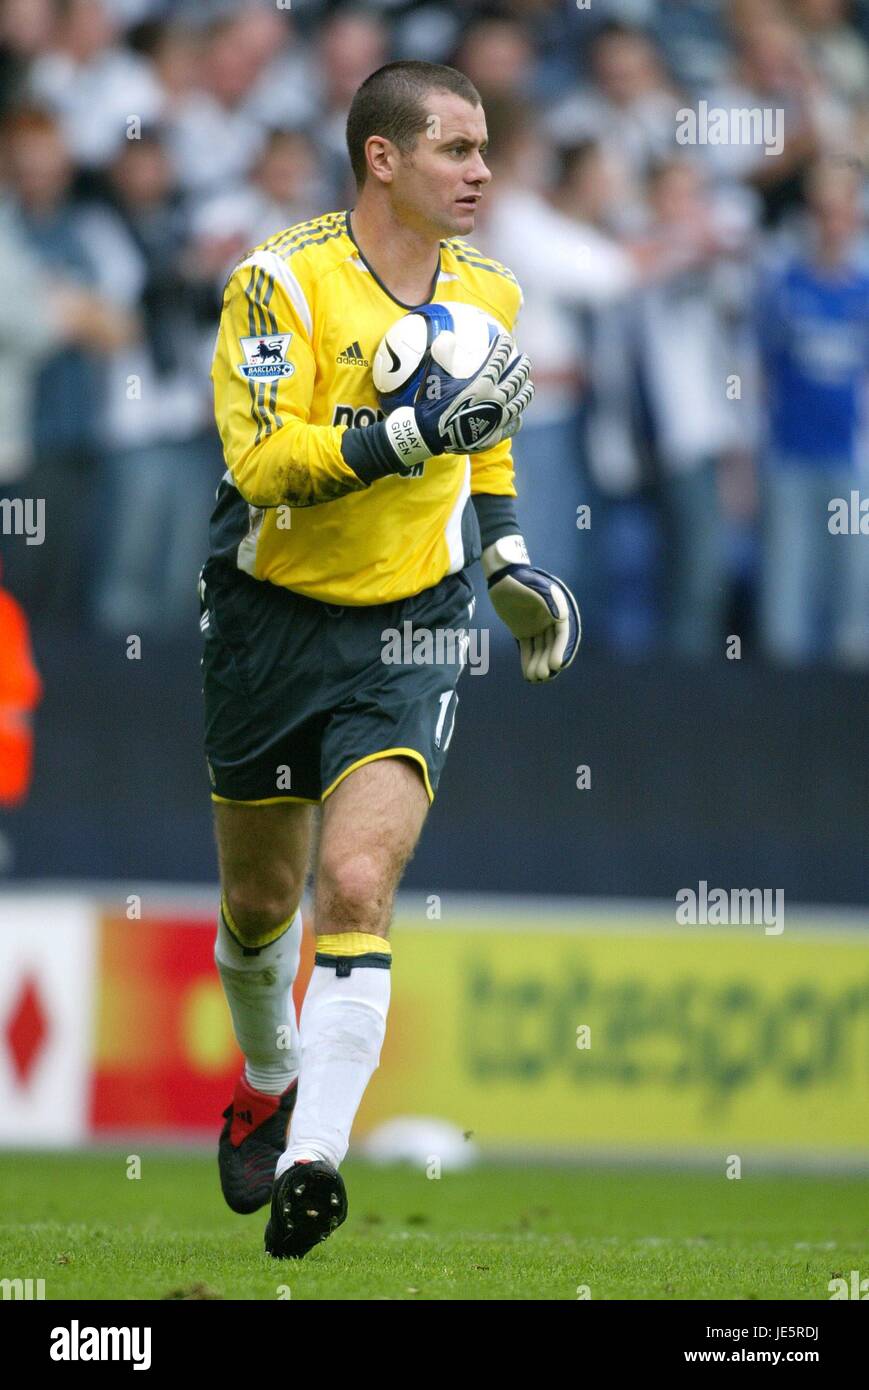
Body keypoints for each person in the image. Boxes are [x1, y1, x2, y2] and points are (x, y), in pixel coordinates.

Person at [202, 59, 579, 1260]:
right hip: (267, 613)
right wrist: (407, 430)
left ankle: (315, 1155)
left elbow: (491, 448)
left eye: (483, 150)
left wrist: (510, 563)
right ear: (383, 157)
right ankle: (268, 1082)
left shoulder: (493, 294)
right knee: (260, 904)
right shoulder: (278, 283)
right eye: (456, 149)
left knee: (355, 889)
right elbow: (263, 464)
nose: (481, 170)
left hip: (412, 622)